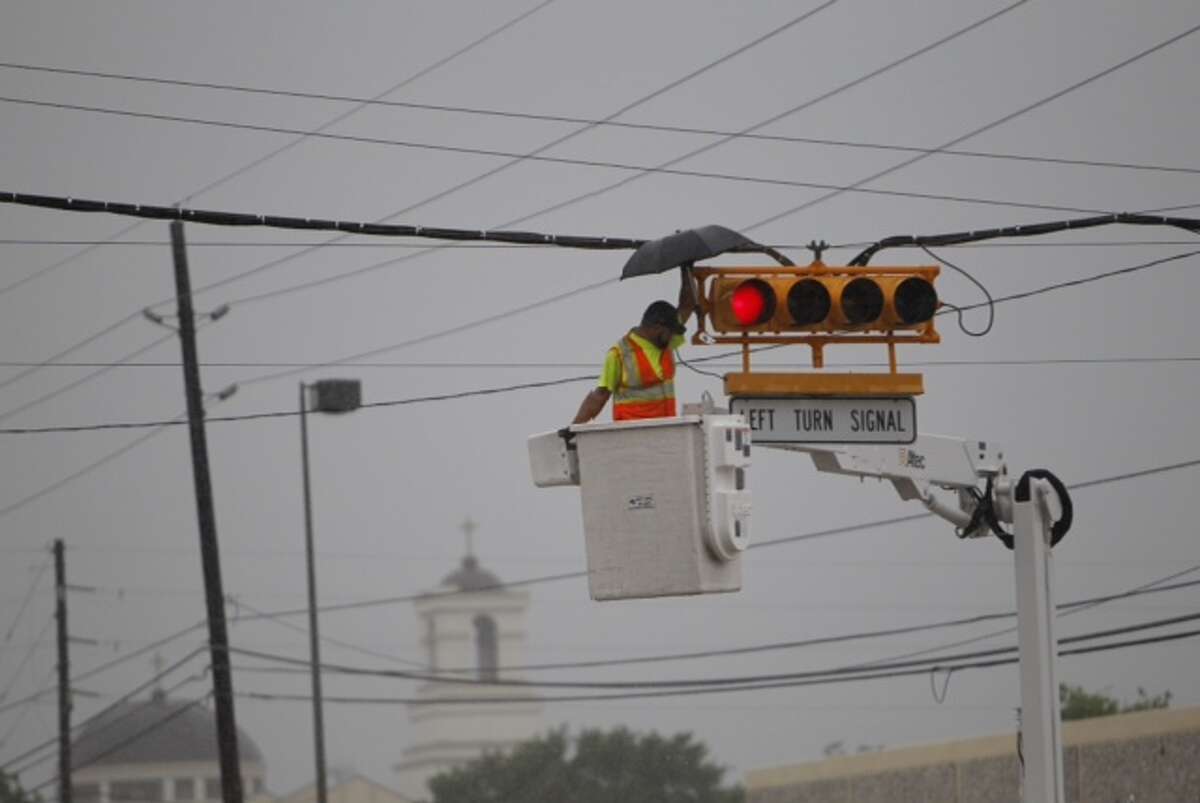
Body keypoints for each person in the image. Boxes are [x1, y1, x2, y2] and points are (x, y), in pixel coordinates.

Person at [572, 268, 698, 424]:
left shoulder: (666, 341)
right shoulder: (619, 354)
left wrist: (686, 267)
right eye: (671, 332)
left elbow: (687, 305)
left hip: (666, 433)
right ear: (658, 327)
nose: (674, 336)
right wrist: (574, 427)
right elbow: (600, 395)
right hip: (633, 437)